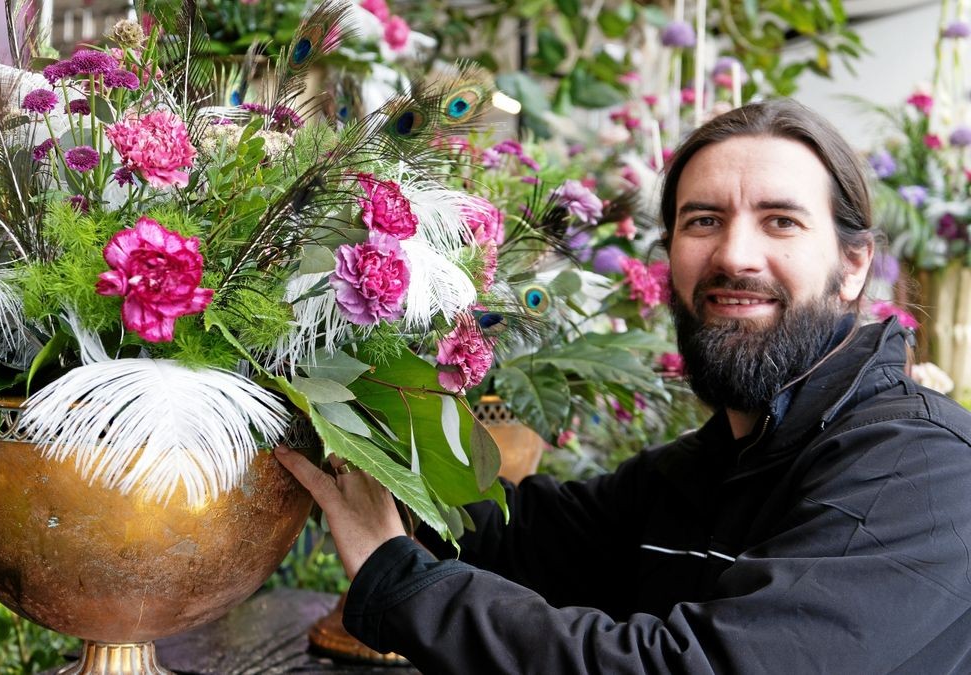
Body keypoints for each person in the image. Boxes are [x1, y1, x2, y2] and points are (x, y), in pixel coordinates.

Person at [275, 98, 971, 673]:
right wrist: (334, 419)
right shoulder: (713, 466)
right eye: (703, 220)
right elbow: (520, 539)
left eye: (780, 220)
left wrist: (398, 580)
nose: (733, 254)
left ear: (853, 266)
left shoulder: (922, 469)